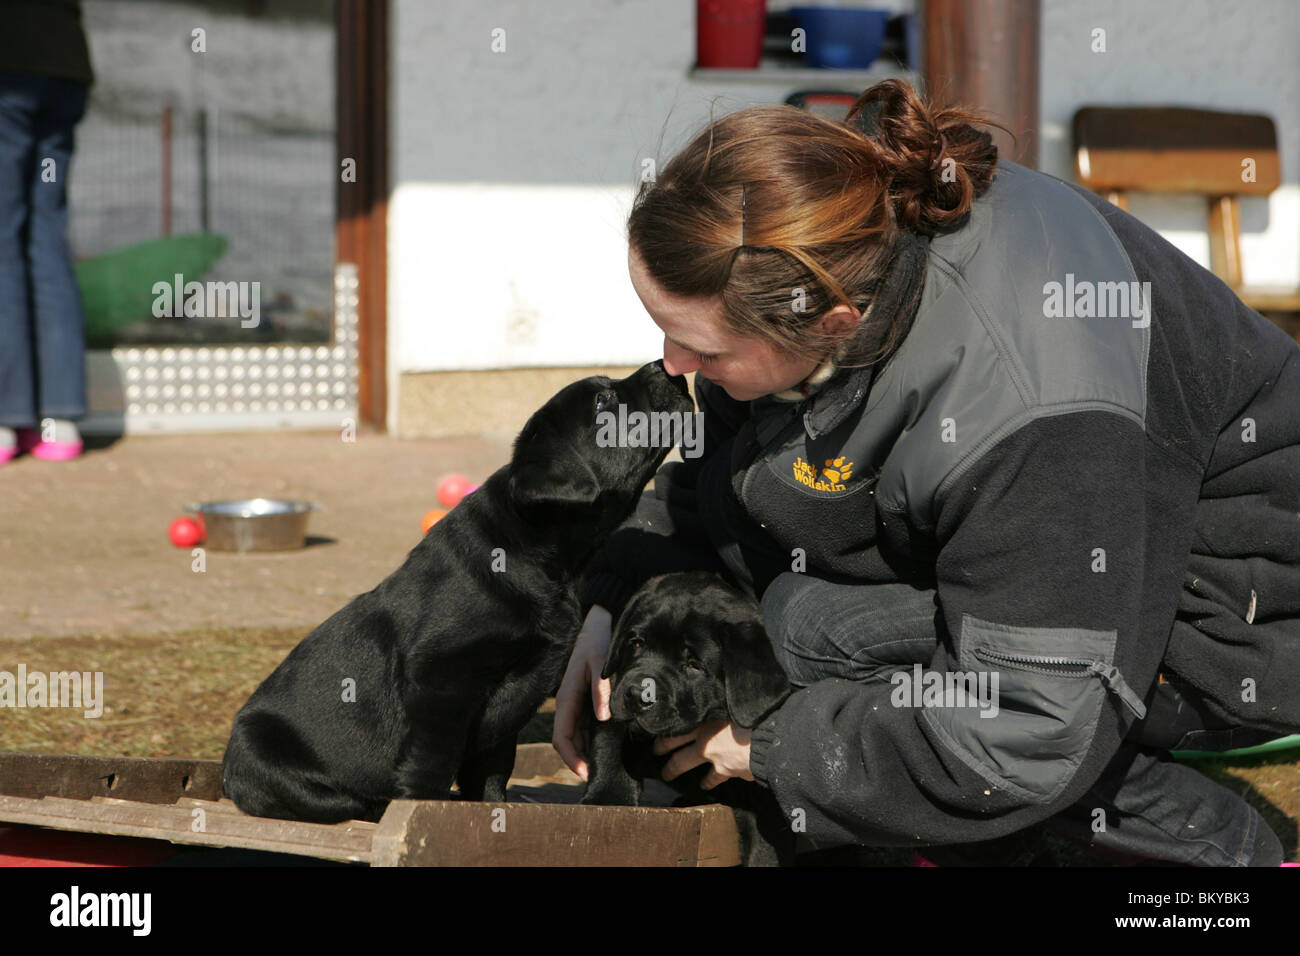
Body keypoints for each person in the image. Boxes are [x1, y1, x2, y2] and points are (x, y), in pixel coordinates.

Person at [552, 80, 1300, 866]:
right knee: (789, 607)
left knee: (806, 634)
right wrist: (620, 592)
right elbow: (724, 480)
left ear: (832, 322)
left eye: (702, 350)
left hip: (1237, 609)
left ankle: (1218, 861)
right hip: (1088, 552)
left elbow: (1028, 728)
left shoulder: (1031, 399)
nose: (675, 366)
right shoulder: (833, 234)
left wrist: (773, 744)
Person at [0, 0, 94, 465]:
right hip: (63, 71)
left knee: (3, 238)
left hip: (10, 70)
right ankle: (61, 417)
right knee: (46, 231)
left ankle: (6, 417)